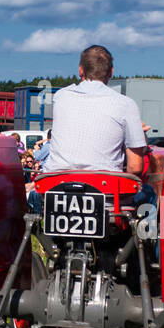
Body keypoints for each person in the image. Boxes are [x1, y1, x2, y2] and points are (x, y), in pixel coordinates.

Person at [40, 45, 153, 207]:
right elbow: (135, 167)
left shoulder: (60, 97)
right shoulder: (125, 104)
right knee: (149, 195)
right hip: (106, 196)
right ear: (111, 72)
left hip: (56, 192)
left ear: (80, 71)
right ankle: (151, 233)